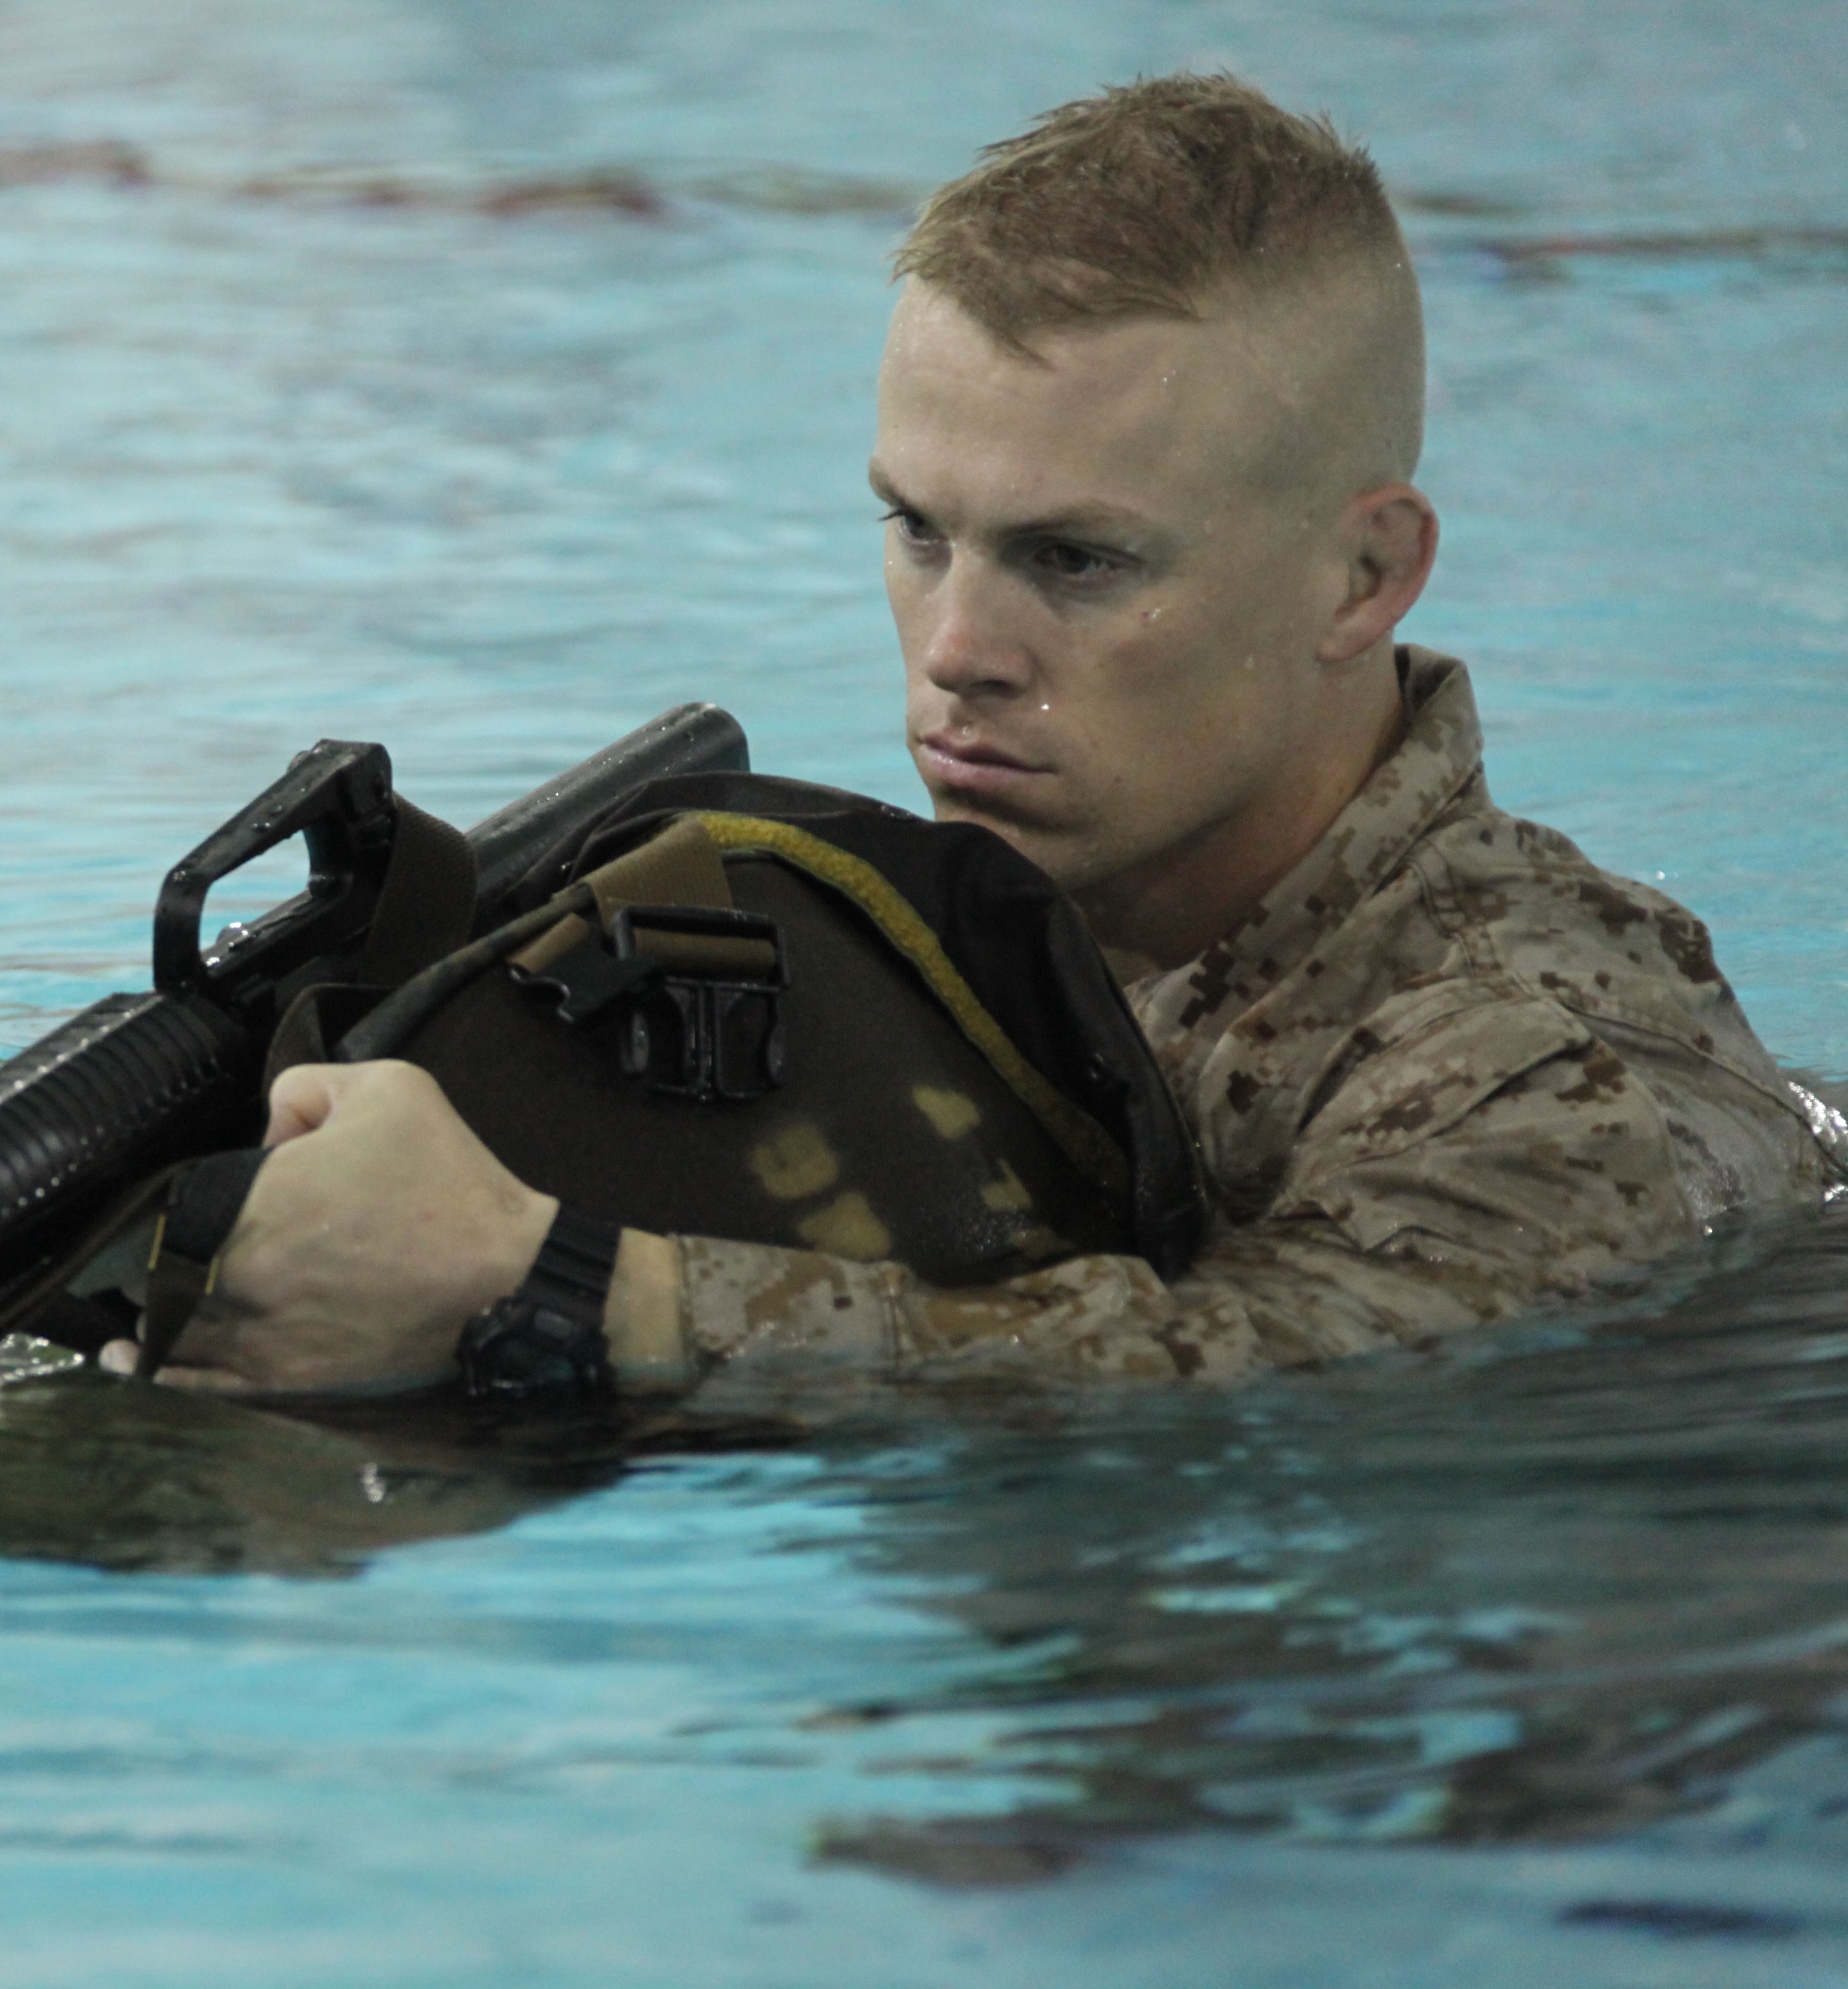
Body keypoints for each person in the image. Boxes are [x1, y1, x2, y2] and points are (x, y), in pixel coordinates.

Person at [135, 74, 1840, 1413]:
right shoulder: (1022, 926)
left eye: (1076, 561)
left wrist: (557, 1281)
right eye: (919, 531)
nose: (957, 655)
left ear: (1364, 572)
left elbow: (1270, 1383)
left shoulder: (1547, 1066)